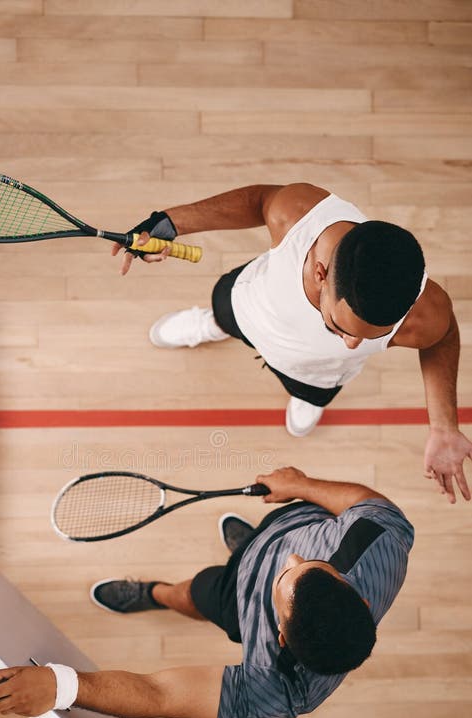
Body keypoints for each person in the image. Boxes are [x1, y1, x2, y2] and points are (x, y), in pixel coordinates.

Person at [110, 183, 471, 504]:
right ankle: (211, 325)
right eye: (340, 327)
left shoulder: (424, 313)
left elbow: (443, 339)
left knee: (314, 391)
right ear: (320, 273)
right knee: (222, 315)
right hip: (247, 310)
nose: (351, 345)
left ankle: (305, 397)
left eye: (368, 336)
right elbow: (257, 201)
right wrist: (170, 223)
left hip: (315, 373)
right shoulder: (299, 215)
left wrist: (443, 426)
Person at [0, 467, 413, 718]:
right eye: (313, 565)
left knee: (192, 592)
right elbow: (367, 502)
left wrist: (62, 686)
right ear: (361, 599)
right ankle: (248, 546)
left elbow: (159, 694)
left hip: (235, 598)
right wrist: (302, 485)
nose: (294, 557)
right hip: (287, 522)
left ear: (280, 635)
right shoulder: (384, 543)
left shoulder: (281, 688)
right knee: (268, 543)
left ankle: (155, 594)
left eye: (285, 576)